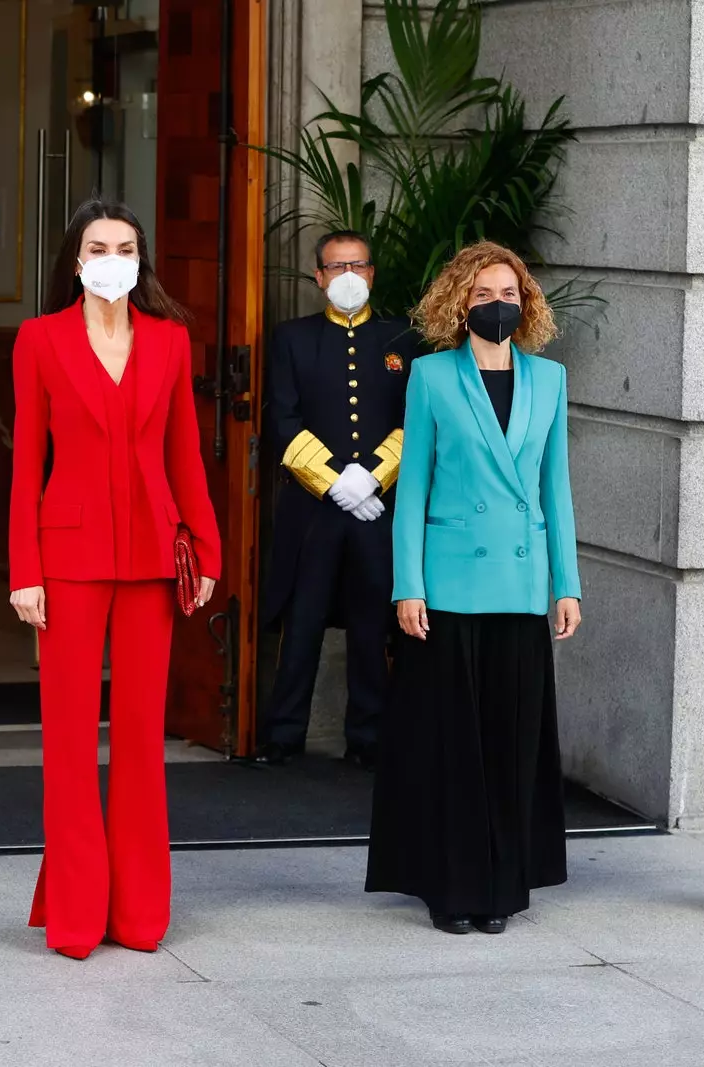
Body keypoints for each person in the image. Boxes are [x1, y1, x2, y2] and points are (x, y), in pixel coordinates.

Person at [8, 199, 221, 960]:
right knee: (68, 743)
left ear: (141, 259)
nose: (111, 258)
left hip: (153, 560)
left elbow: (186, 455)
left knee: (139, 742)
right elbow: (26, 459)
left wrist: (208, 550)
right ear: (75, 260)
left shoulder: (169, 341)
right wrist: (23, 571)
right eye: (98, 246)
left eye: (125, 246)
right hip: (64, 561)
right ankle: (74, 914)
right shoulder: (38, 339)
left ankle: (137, 912)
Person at [366, 240, 582, 936]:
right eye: (485, 294)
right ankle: (449, 887)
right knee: (451, 746)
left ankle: (501, 888)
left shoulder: (549, 381)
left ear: (527, 304)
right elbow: (413, 487)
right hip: (450, 586)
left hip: (520, 586)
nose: (499, 305)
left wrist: (567, 584)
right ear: (462, 302)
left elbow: (556, 488)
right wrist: (408, 585)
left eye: (510, 293)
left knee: (509, 744)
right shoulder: (431, 377)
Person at [256, 230, 422, 768]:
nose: (347, 275)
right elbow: (282, 419)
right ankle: (283, 735)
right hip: (313, 512)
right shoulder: (292, 338)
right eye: (335, 266)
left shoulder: (403, 340)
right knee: (302, 622)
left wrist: (372, 478)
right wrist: (333, 482)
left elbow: (413, 422)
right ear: (318, 277)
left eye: (358, 265)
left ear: (372, 273)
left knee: (372, 623)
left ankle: (368, 739)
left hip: (378, 511)